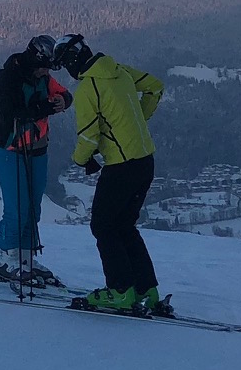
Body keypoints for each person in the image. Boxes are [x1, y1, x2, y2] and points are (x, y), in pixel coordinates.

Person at [60, 35, 168, 315]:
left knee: (103, 226)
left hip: (122, 166)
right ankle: (147, 289)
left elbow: (87, 137)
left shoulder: (88, 89)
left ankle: (120, 290)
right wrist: (135, 122)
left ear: (72, 62)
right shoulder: (119, 71)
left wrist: (79, 160)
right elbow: (155, 87)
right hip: (145, 160)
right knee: (124, 226)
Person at [0, 35, 72, 286]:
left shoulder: (42, 76)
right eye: (45, 66)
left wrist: (63, 101)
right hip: (10, 149)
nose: (47, 72)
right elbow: (10, 113)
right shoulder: (10, 78)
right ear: (36, 59)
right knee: (17, 207)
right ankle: (4, 258)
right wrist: (45, 107)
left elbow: (65, 94)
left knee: (33, 206)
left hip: (37, 149)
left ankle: (25, 257)